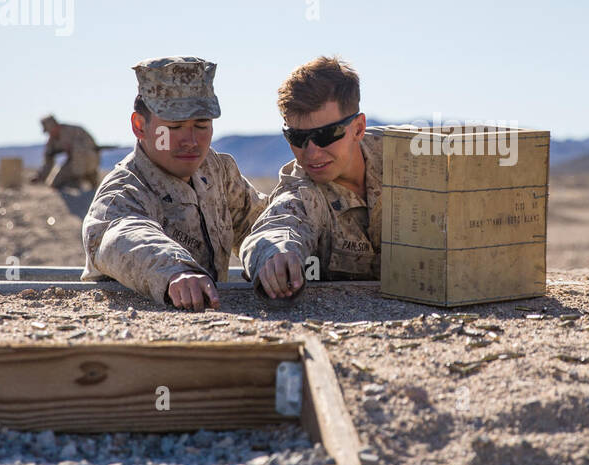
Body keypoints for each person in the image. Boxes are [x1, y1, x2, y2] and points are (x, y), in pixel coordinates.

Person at [81, 56, 268, 310]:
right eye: (174, 127)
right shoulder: (125, 190)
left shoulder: (217, 172)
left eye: (201, 125)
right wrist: (175, 269)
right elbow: (119, 235)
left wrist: (275, 255)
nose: (190, 140)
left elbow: (258, 224)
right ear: (139, 126)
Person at [241, 56, 384, 298]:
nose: (312, 152)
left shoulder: (411, 156)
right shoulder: (302, 193)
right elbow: (279, 226)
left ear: (358, 128)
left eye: (326, 134)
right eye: (297, 137)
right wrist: (274, 255)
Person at [31, 115, 101, 190]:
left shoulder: (75, 131)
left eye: (50, 130)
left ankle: (83, 179)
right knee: (55, 183)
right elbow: (48, 160)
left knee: (79, 152)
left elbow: (91, 148)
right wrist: (40, 176)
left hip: (88, 163)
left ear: (56, 126)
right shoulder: (52, 141)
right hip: (72, 165)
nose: (50, 133)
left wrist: (73, 149)